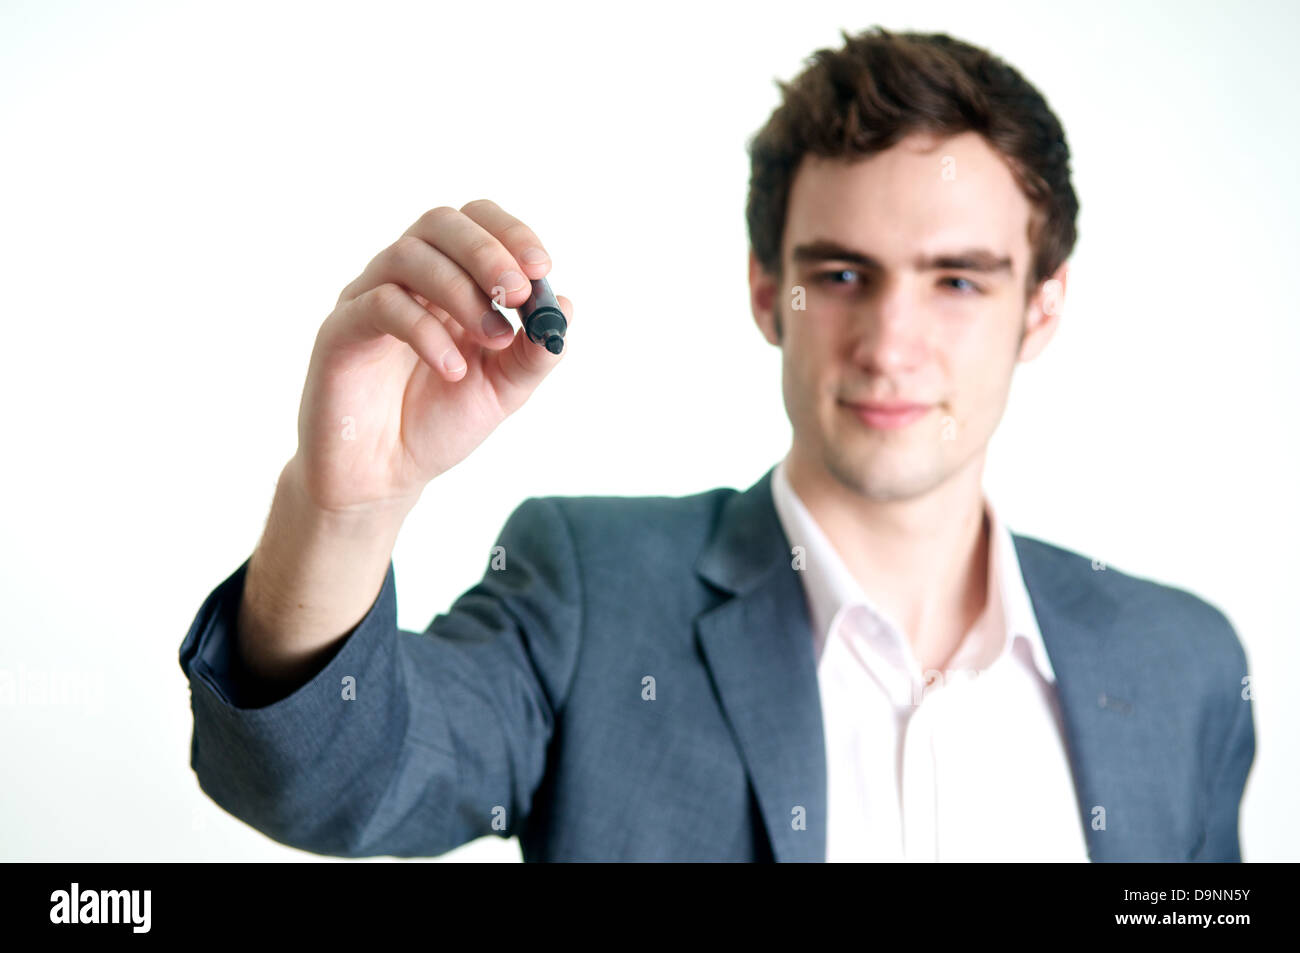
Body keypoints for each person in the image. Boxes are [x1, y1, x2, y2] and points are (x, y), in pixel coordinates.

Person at [178, 25, 1254, 862]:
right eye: (840, 274)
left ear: (1043, 306)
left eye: (958, 280)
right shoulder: (591, 590)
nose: (889, 345)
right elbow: (329, 782)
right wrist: (344, 508)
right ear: (763, 290)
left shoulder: (1182, 664)